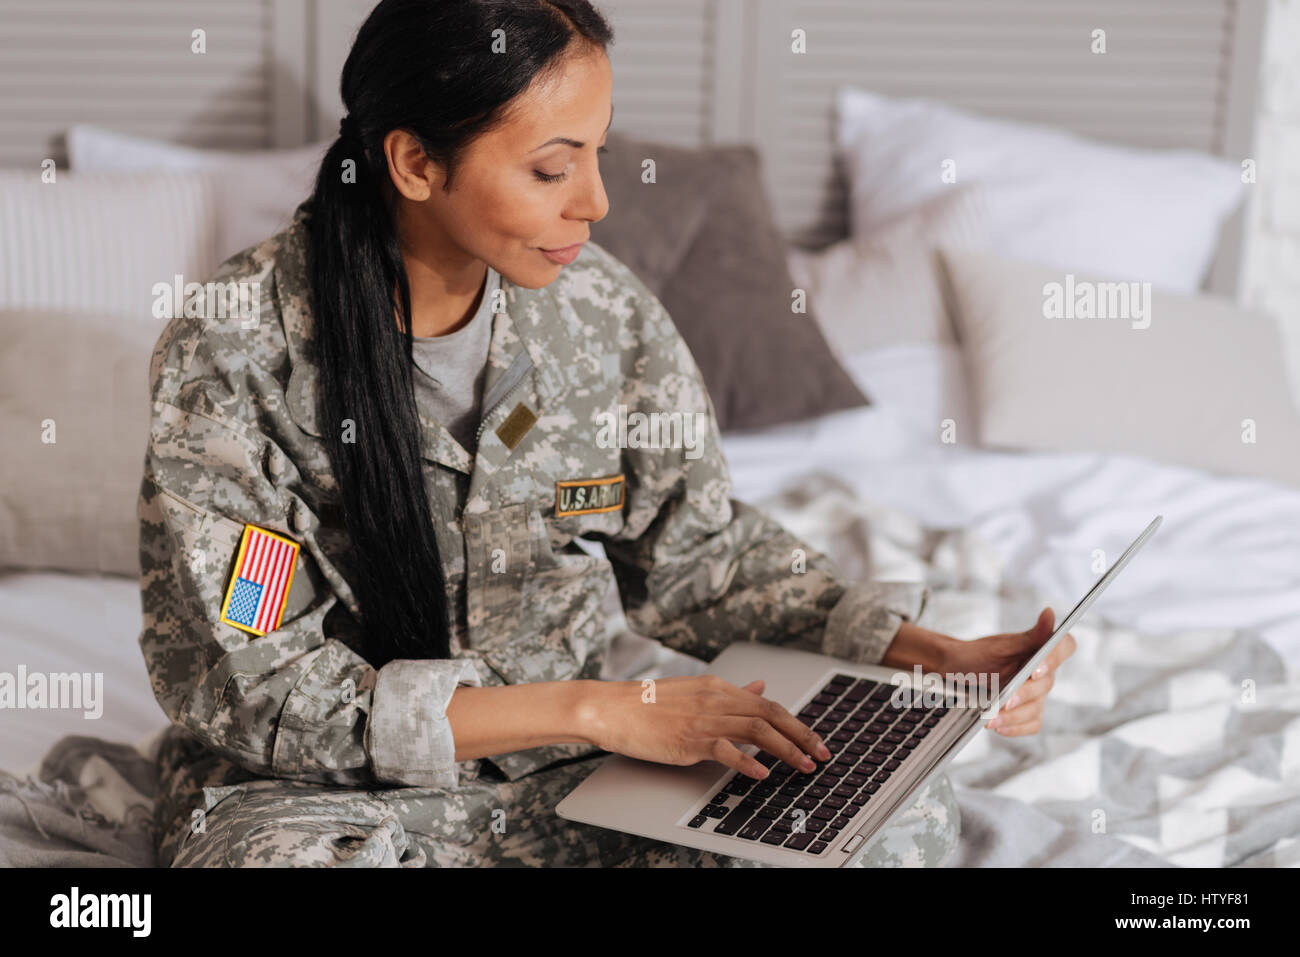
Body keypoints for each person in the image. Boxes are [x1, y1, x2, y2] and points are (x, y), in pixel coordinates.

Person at [138, 0, 1075, 868]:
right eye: (551, 167)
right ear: (417, 164)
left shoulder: (604, 314)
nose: (594, 201)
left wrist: (920, 651)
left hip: (577, 777)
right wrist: (604, 707)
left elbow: (697, 556)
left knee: (891, 817)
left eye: (596, 153)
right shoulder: (233, 348)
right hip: (322, 797)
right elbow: (260, 688)